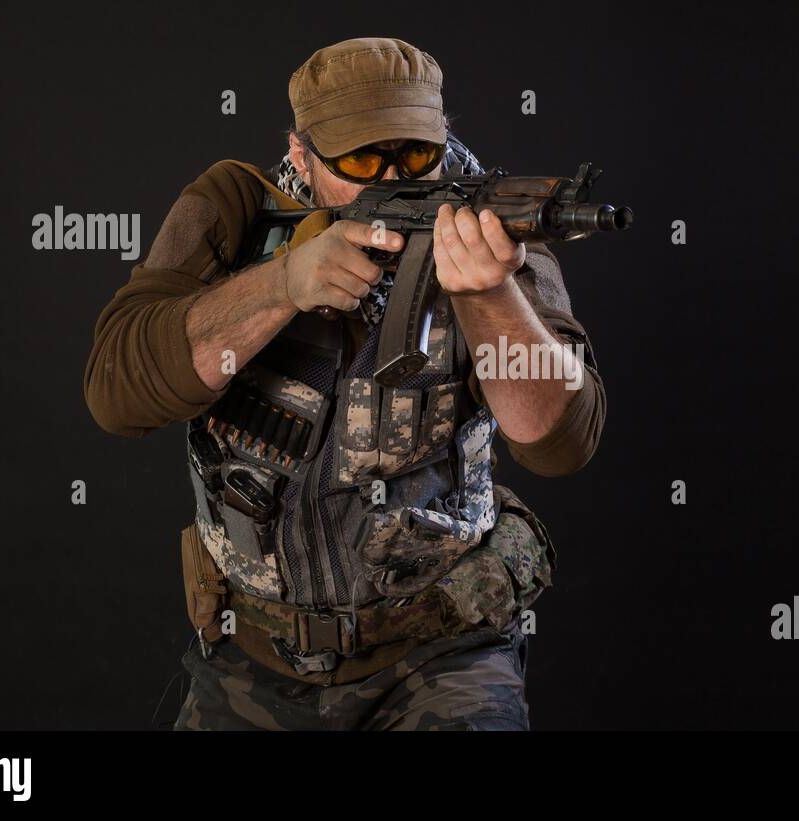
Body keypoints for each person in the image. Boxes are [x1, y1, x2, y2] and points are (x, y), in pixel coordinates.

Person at [83, 37, 605, 730]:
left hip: (441, 652)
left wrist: (489, 294)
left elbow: (560, 442)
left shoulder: (493, 231)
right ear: (301, 154)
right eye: (360, 160)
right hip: (252, 655)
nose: (391, 177)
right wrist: (283, 284)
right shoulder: (235, 209)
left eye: (415, 155)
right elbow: (117, 394)